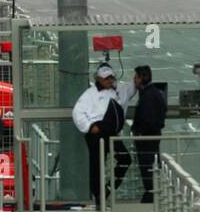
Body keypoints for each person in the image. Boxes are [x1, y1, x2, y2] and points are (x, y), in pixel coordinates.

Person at [71, 63, 135, 204]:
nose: (109, 81)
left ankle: (108, 188)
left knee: (125, 159)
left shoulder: (118, 91)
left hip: (111, 133)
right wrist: (89, 126)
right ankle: (98, 195)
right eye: (106, 78)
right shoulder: (90, 94)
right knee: (97, 164)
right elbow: (77, 112)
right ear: (98, 79)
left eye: (111, 78)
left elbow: (131, 89)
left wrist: (137, 79)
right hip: (97, 133)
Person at [121, 65, 167, 203]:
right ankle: (151, 195)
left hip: (146, 141)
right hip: (151, 139)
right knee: (151, 168)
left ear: (142, 78)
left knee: (148, 169)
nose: (134, 80)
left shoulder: (148, 96)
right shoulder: (154, 94)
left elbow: (149, 119)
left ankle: (150, 197)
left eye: (136, 77)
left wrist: (139, 133)